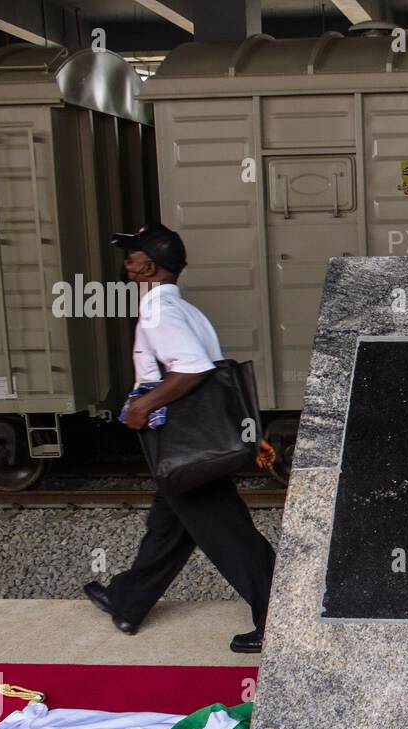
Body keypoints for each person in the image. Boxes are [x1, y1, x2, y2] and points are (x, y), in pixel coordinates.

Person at [82, 223, 276, 654]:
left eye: (130, 256)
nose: (126, 264)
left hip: (184, 442)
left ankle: (276, 620)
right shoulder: (184, 309)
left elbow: (193, 368)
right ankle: (128, 600)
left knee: (230, 536)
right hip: (191, 440)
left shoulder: (159, 311)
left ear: (146, 266)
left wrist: (142, 406)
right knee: (168, 522)